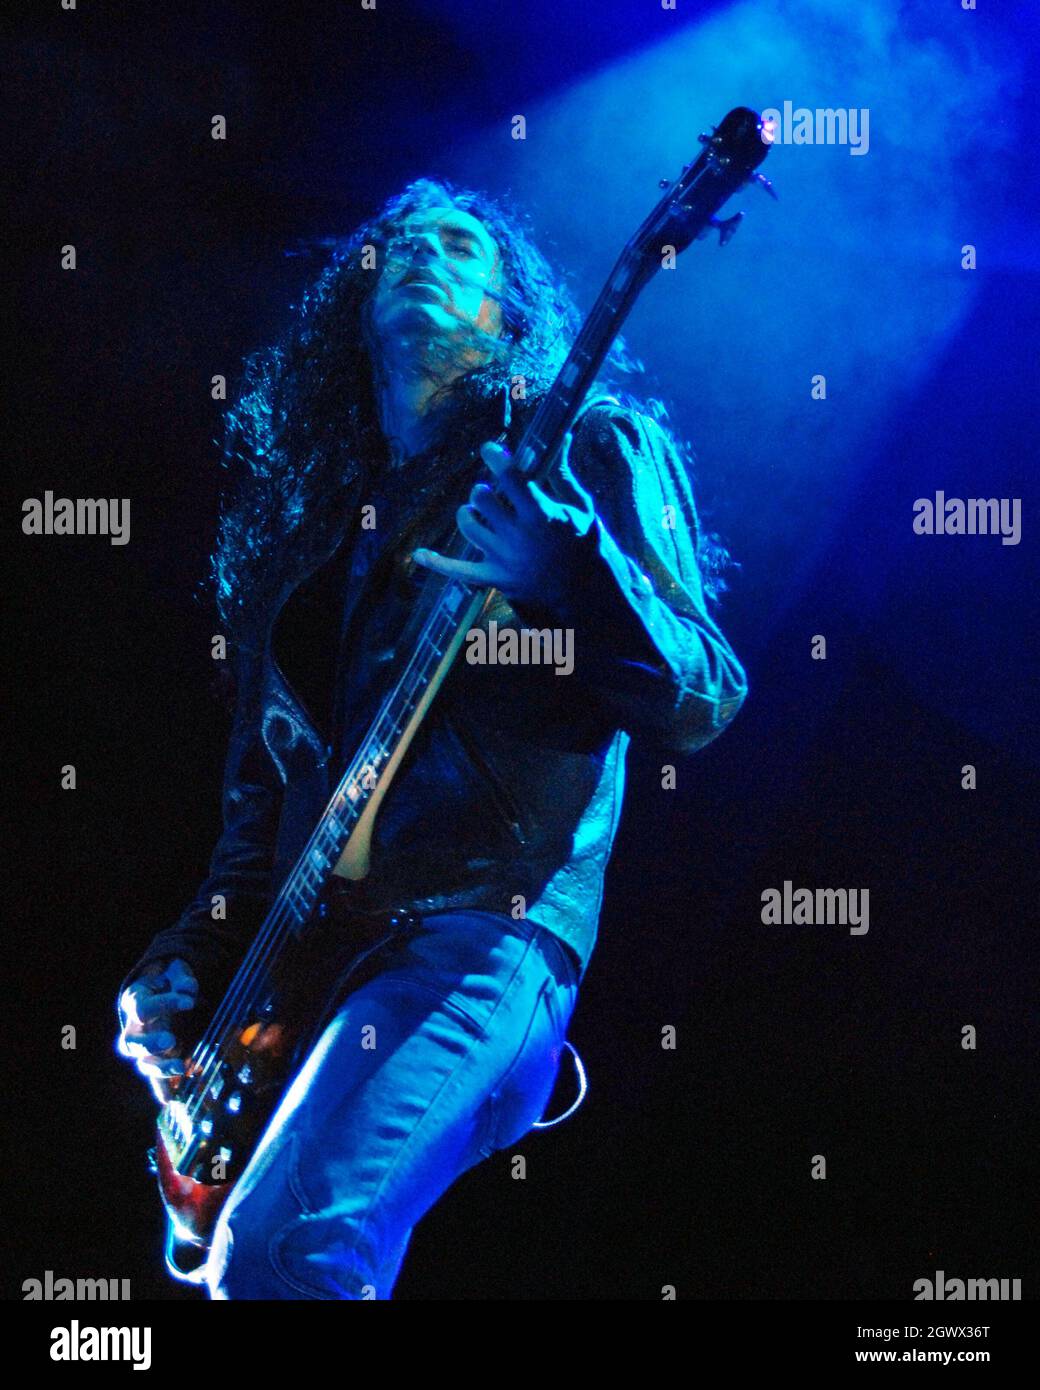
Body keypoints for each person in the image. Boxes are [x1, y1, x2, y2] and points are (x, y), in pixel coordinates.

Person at [117, 177, 748, 1299]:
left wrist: (571, 578)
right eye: (399, 247)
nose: (422, 255)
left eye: (462, 248)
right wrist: (178, 972)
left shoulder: (582, 452)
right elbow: (253, 842)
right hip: (318, 967)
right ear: (357, 310)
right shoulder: (305, 563)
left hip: (483, 933)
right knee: (250, 1264)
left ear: (509, 315)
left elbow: (701, 694)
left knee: (287, 1252)